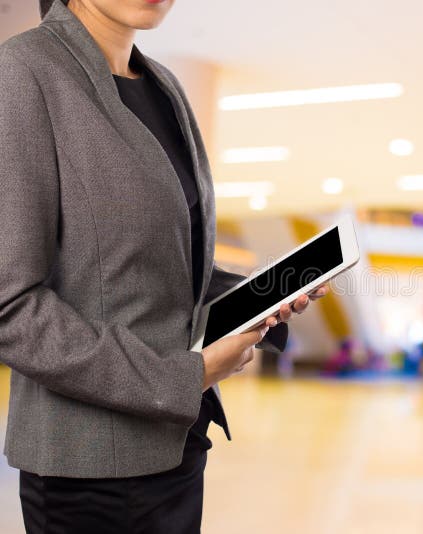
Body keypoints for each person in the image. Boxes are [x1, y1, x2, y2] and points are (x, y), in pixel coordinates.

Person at [0, 1, 326, 532]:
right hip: (90, 476)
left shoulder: (165, 87)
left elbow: (164, 266)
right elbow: (10, 307)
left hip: (177, 447)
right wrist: (183, 377)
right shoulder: (24, 71)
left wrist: (259, 294)